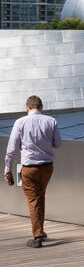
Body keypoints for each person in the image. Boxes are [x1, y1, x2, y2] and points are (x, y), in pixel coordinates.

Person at [4, 95, 61, 248]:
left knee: (33, 200)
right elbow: (58, 144)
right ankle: (40, 230)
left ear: (27, 108)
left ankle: (37, 236)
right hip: (47, 167)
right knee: (40, 197)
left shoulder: (20, 122)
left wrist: (7, 169)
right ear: (41, 107)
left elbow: (11, 149)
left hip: (29, 168)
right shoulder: (51, 121)